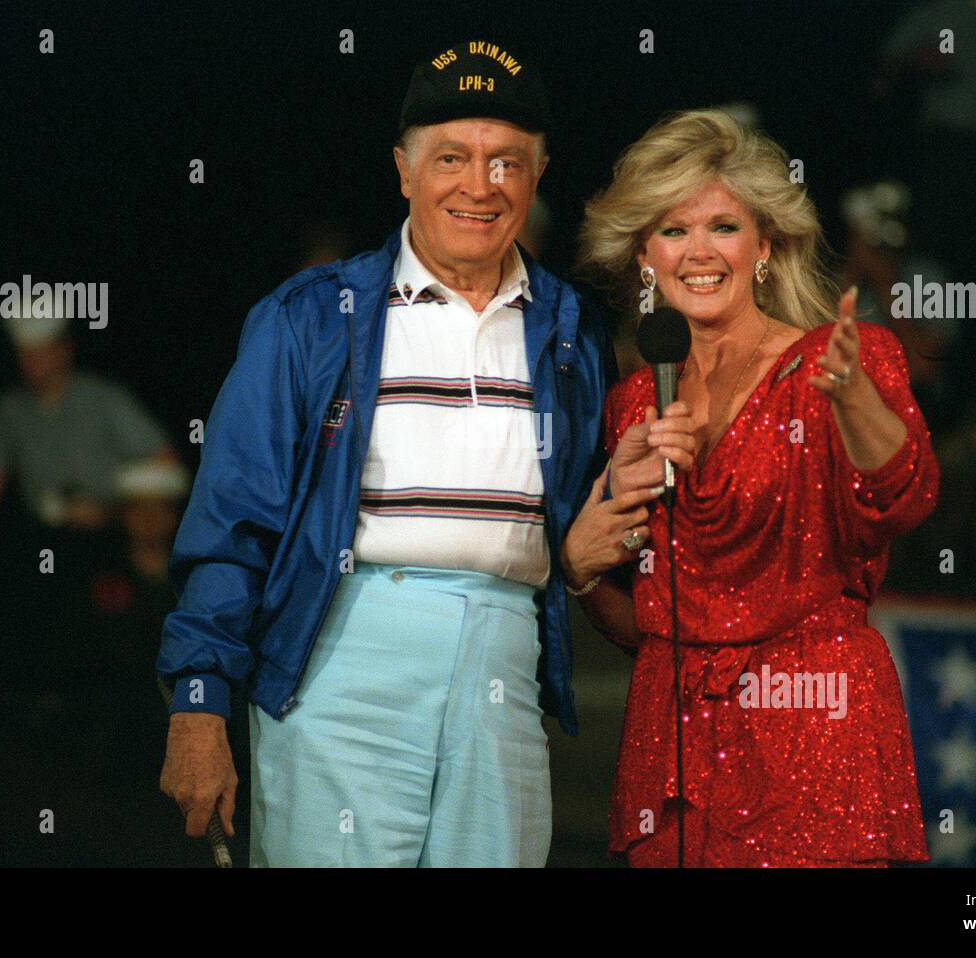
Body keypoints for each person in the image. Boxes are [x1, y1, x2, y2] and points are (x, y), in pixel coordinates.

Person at [156, 39, 633, 867]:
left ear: (539, 172)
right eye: (451, 157)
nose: (479, 186)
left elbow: (591, 517)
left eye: (506, 162)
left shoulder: (573, 331)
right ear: (404, 170)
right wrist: (199, 701)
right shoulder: (310, 317)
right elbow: (234, 523)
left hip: (503, 668)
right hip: (342, 666)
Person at [563, 109, 940, 867]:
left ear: (765, 245)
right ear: (644, 255)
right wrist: (578, 567)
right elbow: (643, 617)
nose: (698, 252)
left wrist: (853, 396)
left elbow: (902, 494)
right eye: (673, 231)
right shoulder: (636, 401)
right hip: (670, 748)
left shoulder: (836, 363)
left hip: (810, 739)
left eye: (723, 227)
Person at [0, 308, 180, 576]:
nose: (31, 363)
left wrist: (113, 509)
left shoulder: (104, 397)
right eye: (24, 354)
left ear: (64, 349)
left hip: (109, 535)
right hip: (40, 538)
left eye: (39, 352)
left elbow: (165, 460)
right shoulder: (10, 409)